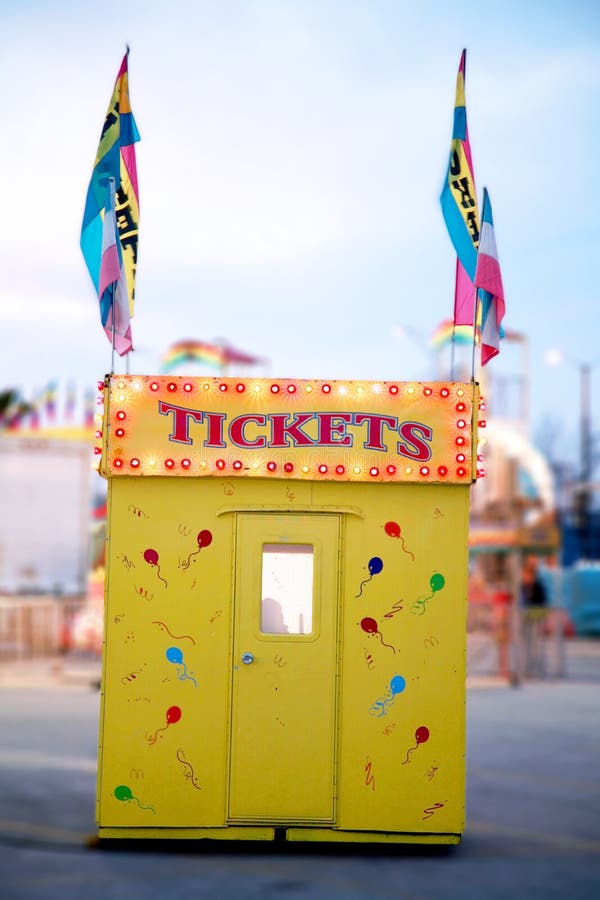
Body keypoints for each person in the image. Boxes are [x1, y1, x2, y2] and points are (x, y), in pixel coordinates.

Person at [521, 558, 548, 677]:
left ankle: (535, 667)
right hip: (524, 620)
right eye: (526, 574)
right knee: (525, 644)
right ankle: (525, 667)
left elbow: (543, 602)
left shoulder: (539, 587)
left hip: (536, 621)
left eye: (530, 574)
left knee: (535, 644)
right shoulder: (521, 587)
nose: (527, 577)